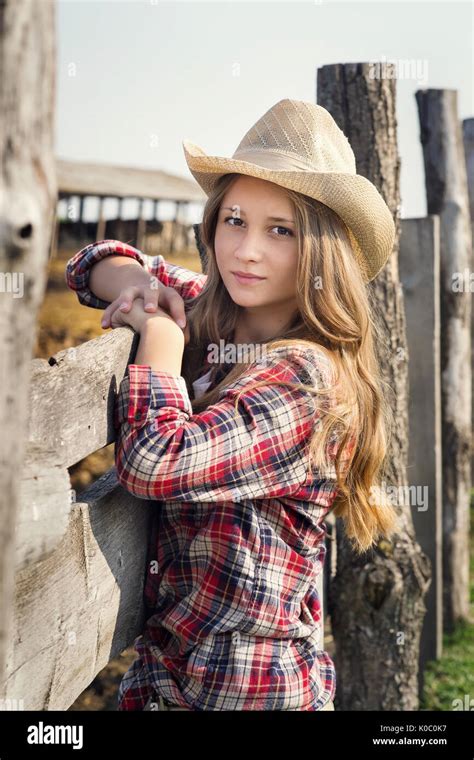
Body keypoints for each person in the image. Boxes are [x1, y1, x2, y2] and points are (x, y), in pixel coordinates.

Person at [65, 98, 399, 711]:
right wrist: (140, 285)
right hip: (168, 681)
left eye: (281, 230)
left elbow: (157, 462)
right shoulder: (221, 312)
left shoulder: (309, 381)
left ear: (323, 249)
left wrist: (161, 334)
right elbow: (91, 264)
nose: (246, 250)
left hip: (249, 690)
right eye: (234, 220)